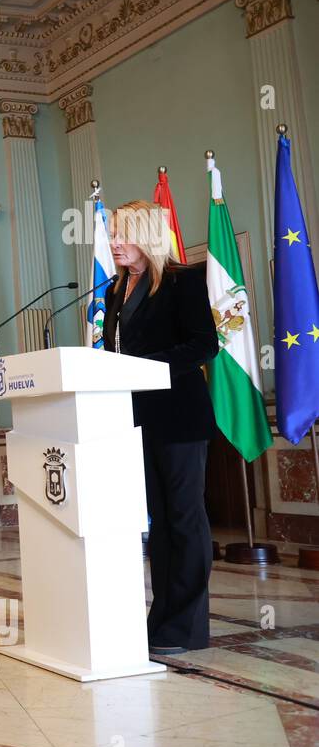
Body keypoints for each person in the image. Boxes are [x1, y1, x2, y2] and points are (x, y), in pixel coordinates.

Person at [102, 199, 219, 655]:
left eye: (122, 234)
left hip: (180, 418)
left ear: (147, 234)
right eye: (112, 233)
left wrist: (142, 368)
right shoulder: (115, 289)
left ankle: (187, 628)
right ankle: (161, 620)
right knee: (161, 524)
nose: (113, 242)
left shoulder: (182, 280)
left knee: (185, 519)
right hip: (136, 422)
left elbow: (202, 345)